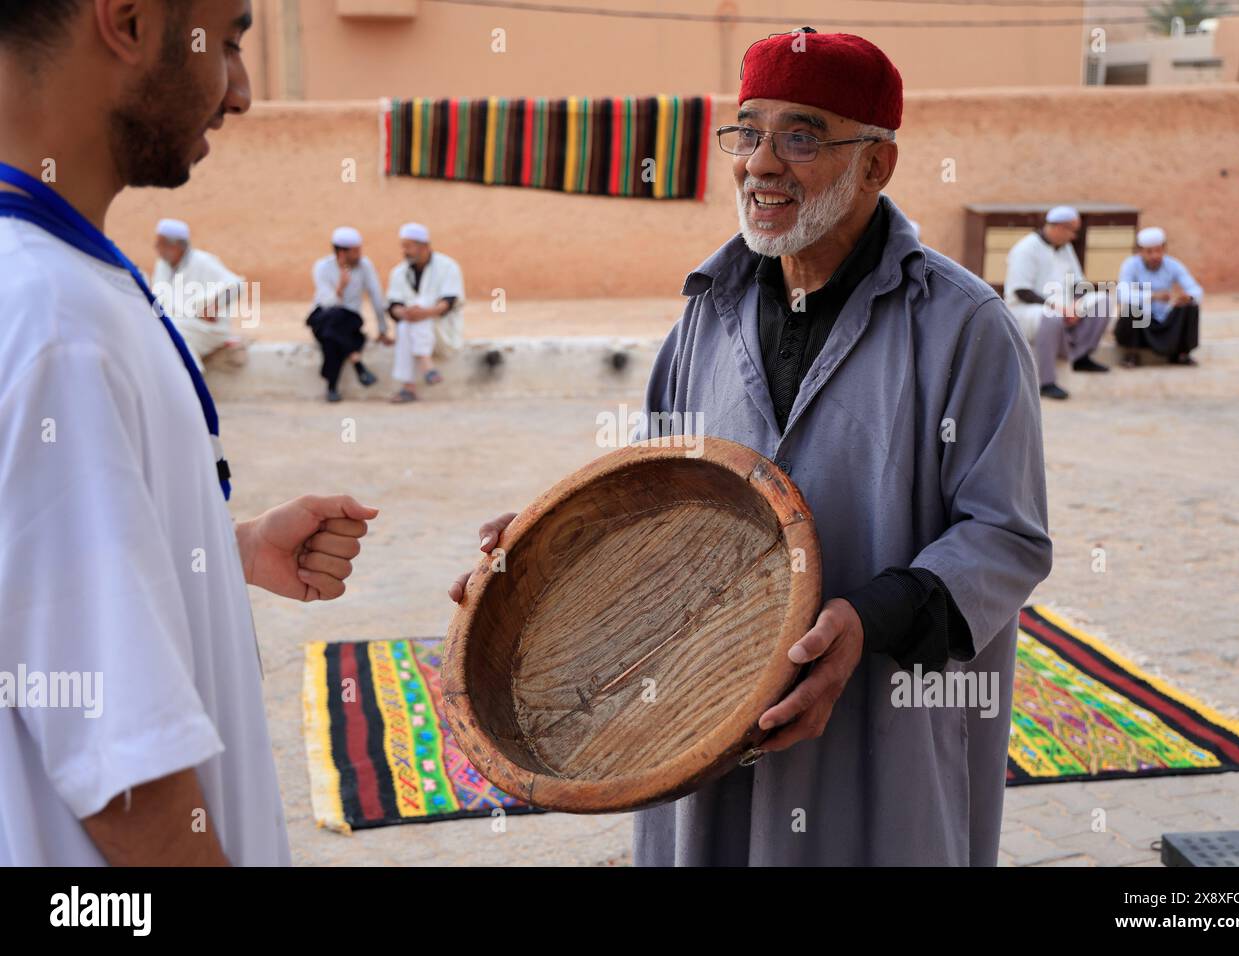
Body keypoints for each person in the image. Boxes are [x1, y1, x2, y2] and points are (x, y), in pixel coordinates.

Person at [449, 29, 1052, 866]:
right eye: (747, 132)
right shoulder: (704, 313)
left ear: (876, 164)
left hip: (877, 741)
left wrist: (862, 620)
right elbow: (652, 502)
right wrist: (555, 558)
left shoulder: (962, 326)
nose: (761, 163)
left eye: (801, 135)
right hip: (699, 727)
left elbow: (1006, 538)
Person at [0, 0, 379, 866]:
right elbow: (129, 778)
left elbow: (38, 584)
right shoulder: (51, 318)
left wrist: (222, 549)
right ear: (129, 22)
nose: (239, 93)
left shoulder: (64, 285)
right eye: (231, 42)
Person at [1004, 206, 1111, 400]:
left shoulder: (1065, 248)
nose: (1074, 236)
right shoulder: (1026, 248)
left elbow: (1078, 282)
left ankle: (1080, 356)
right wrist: (1059, 308)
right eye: (1072, 230)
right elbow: (1021, 291)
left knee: (1103, 301)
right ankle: (1047, 382)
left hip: (1065, 308)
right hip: (1027, 310)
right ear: (1060, 228)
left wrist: (1076, 306)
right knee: (1051, 316)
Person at [385, 221, 465, 403]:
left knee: (416, 314)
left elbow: (449, 302)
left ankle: (408, 386)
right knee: (406, 323)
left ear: (424, 247)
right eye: (403, 246)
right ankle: (426, 366)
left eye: (409, 246)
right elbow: (393, 305)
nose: (405, 251)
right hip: (413, 327)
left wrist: (424, 312)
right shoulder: (398, 272)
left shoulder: (448, 267)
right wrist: (406, 313)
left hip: (441, 328)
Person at [151, 217, 244, 371]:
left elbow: (236, 285)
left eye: (160, 243)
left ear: (175, 246)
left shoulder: (203, 261)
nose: (156, 247)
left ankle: (194, 380)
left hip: (207, 327)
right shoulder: (162, 266)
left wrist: (214, 306)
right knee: (163, 332)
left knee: (174, 333)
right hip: (179, 323)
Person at [307, 226, 387, 402]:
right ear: (341, 253)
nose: (360, 254)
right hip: (324, 314)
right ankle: (357, 363)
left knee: (330, 334)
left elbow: (376, 296)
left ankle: (331, 384)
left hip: (347, 318)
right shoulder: (322, 267)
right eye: (355, 251)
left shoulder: (365, 266)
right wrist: (341, 287)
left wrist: (383, 329)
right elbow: (327, 302)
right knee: (333, 321)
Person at [1115, 226, 1202, 367]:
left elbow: (1195, 289)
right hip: (1142, 319)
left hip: (1164, 318)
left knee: (1191, 306)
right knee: (1131, 309)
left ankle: (1181, 354)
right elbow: (1122, 294)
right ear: (1140, 252)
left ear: (1164, 249)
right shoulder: (1130, 265)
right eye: (1149, 252)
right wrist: (1152, 296)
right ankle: (1131, 354)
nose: (1155, 256)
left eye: (1158, 251)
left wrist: (1188, 297)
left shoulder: (1173, 265)